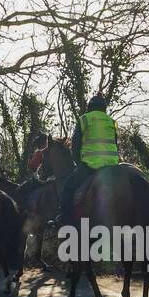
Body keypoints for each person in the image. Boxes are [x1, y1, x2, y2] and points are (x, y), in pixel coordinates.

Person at [56, 94, 118, 227]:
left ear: (89, 107)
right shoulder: (111, 121)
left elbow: (75, 144)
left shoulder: (85, 119)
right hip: (113, 166)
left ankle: (63, 221)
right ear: (104, 108)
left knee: (67, 188)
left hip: (91, 165)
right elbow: (115, 144)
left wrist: (79, 163)